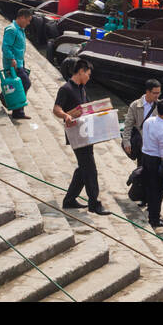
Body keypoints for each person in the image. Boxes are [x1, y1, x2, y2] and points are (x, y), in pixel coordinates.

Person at [53, 58, 108, 215]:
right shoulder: (66, 89)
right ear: (81, 71)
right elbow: (56, 109)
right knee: (90, 169)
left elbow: (87, 108)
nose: (89, 77)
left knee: (83, 167)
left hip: (87, 132)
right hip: (76, 134)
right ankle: (94, 203)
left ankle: (69, 200)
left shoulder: (82, 88)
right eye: (88, 74)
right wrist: (66, 116)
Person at [141, 97, 163, 228]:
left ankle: (152, 213)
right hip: (156, 161)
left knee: (150, 189)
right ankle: (155, 219)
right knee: (157, 191)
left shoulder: (148, 121)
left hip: (145, 157)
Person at [1, 8, 34, 120]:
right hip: (13, 64)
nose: (28, 23)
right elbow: (6, 46)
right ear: (21, 17)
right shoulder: (12, 29)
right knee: (25, 83)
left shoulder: (21, 30)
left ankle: (18, 112)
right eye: (28, 20)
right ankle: (5, 97)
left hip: (20, 63)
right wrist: (11, 59)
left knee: (21, 84)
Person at [121, 79, 161, 161]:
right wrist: (126, 142)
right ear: (147, 92)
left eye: (158, 93)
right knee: (142, 168)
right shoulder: (135, 105)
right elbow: (128, 125)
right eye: (155, 93)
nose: (157, 96)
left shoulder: (160, 105)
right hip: (141, 144)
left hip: (155, 145)